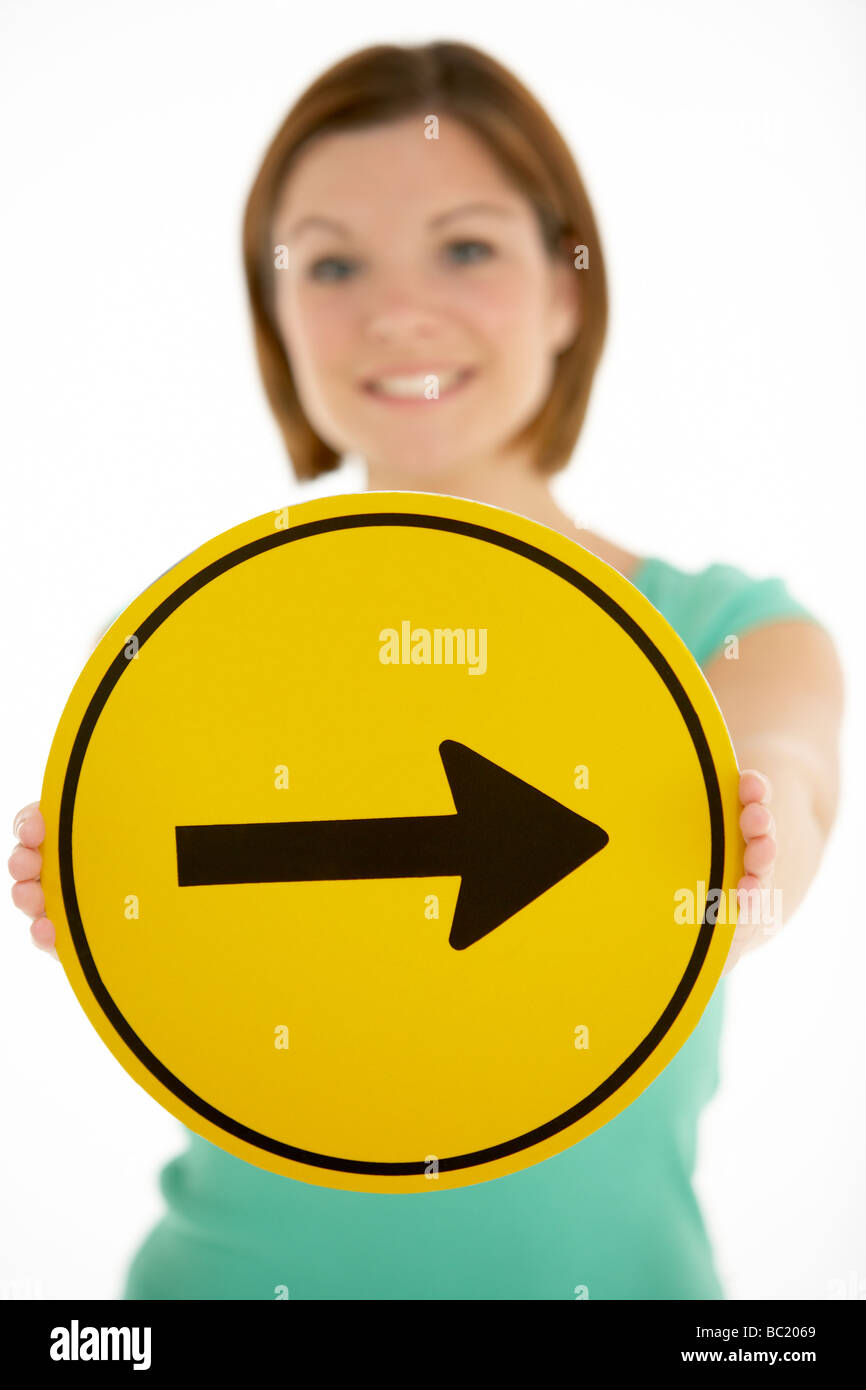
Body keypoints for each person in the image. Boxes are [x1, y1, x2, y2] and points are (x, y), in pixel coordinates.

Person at [9, 41, 843, 1300]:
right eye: (331, 264)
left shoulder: (733, 634)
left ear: (565, 290)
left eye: (464, 248)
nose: (396, 311)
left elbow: (784, 792)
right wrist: (114, 922)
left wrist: (746, 855)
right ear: (276, 321)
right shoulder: (179, 647)